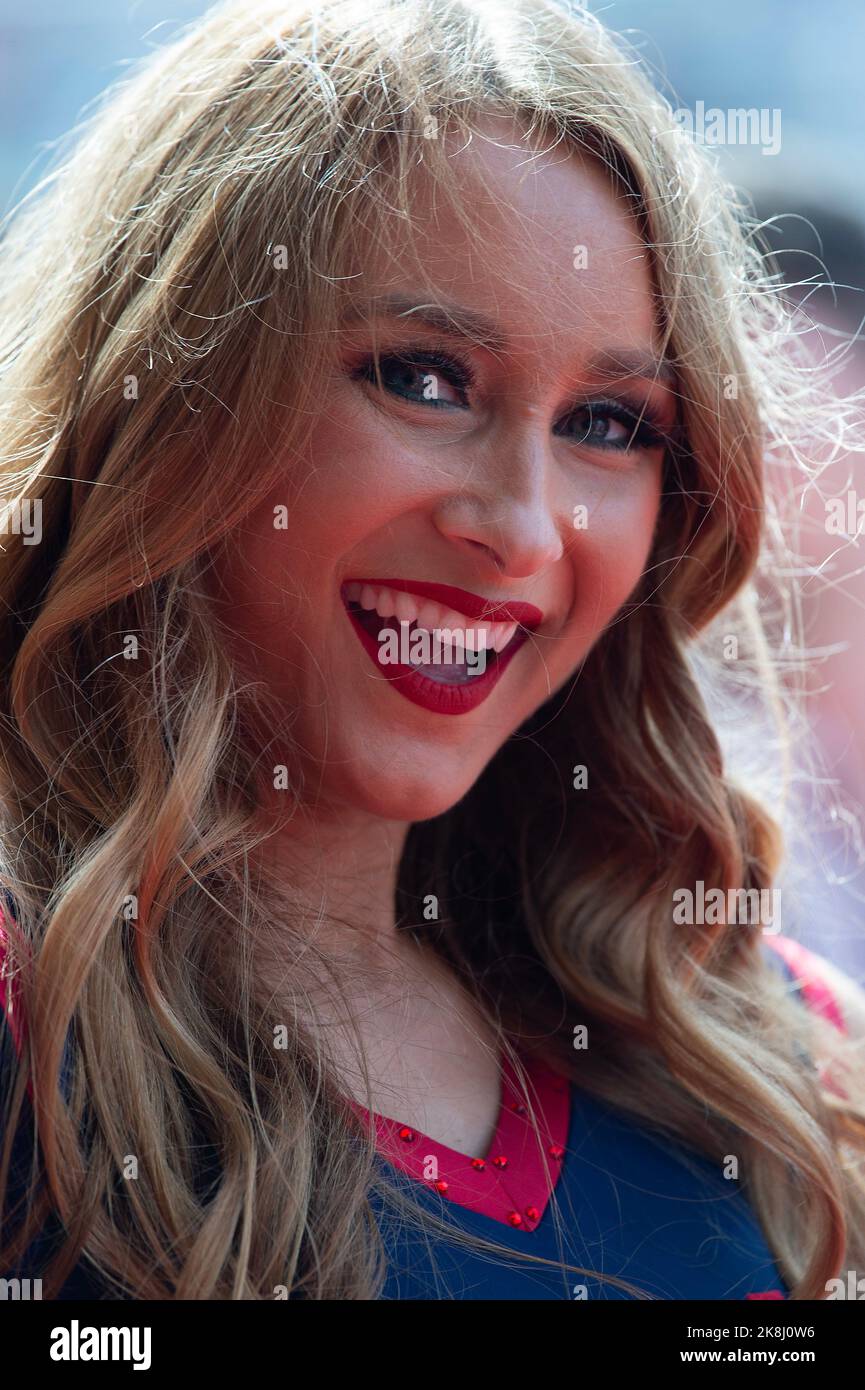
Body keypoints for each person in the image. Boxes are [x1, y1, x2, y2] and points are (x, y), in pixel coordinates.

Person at [0, 0, 863, 1302]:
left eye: (610, 422)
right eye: (422, 377)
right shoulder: (31, 1022)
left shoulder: (782, 1052)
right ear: (174, 391)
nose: (520, 530)